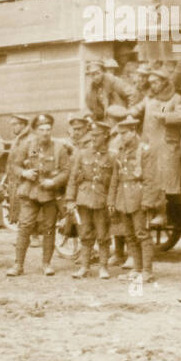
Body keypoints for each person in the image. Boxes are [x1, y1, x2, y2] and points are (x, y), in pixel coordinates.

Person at [9, 114, 70, 276]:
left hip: (50, 194)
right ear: (35, 130)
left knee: (49, 228)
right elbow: (14, 166)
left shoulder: (59, 148)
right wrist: (25, 172)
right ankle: (18, 265)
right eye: (41, 129)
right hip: (30, 192)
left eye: (48, 129)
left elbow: (66, 171)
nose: (45, 133)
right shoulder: (26, 145)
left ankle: (46, 264)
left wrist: (54, 182)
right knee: (24, 227)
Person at [136, 67, 181, 229]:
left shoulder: (174, 99)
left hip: (167, 146)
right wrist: (126, 114)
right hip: (151, 145)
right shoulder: (149, 99)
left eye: (156, 82)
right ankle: (151, 209)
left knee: (164, 178)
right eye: (151, 83)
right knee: (150, 177)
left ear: (164, 82)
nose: (153, 85)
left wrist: (165, 116)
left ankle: (163, 214)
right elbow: (136, 110)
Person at [64, 119, 116, 279]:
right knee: (85, 234)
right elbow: (73, 178)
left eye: (97, 136)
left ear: (106, 136)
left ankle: (103, 267)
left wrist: (111, 201)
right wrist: (70, 200)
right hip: (83, 199)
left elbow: (114, 182)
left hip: (101, 200)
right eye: (92, 135)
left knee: (103, 234)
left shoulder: (113, 156)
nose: (93, 139)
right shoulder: (82, 154)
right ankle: (84, 267)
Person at [109, 113, 155, 281]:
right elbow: (115, 177)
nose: (121, 137)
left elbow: (150, 178)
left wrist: (147, 201)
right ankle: (136, 268)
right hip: (123, 198)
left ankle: (147, 271)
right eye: (120, 134)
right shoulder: (121, 151)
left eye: (124, 133)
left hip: (138, 197)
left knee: (142, 234)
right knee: (129, 235)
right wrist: (111, 200)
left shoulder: (144, 151)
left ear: (133, 131)